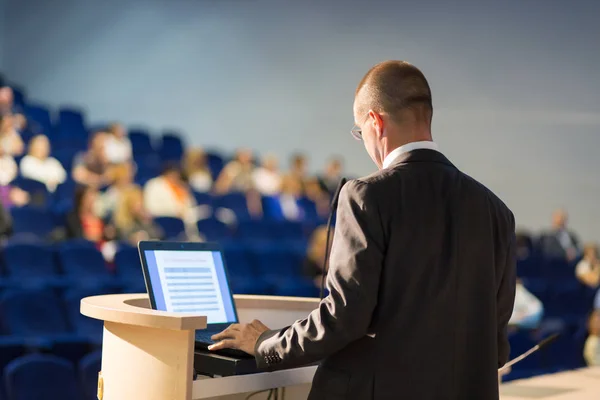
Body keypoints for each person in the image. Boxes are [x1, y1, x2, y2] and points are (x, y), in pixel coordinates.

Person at [209, 61, 516, 400]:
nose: (363, 141)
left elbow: (345, 317)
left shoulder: (367, 195)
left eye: (359, 130)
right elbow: (495, 347)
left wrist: (265, 343)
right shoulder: (496, 211)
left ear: (375, 121)